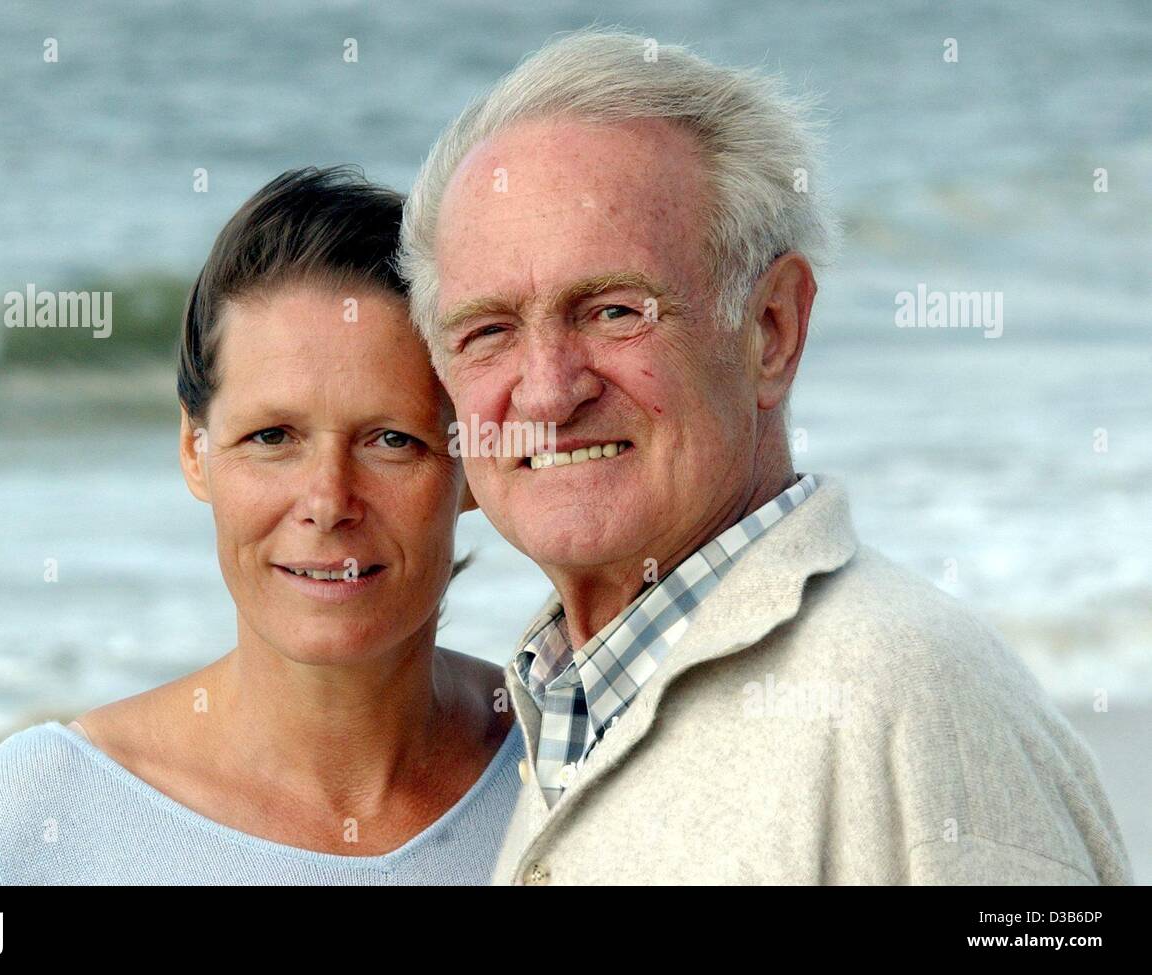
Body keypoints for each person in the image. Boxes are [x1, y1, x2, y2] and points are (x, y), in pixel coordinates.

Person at [396, 28, 1132, 884]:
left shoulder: (912, 699)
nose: (548, 391)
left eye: (614, 311)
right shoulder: (563, 700)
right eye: (488, 332)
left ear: (772, 330)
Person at [0, 166, 521, 885]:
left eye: (391, 439)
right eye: (273, 436)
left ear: (472, 461)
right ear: (194, 449)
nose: (329, 499)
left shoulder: (578, 771)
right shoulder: (33, 819)